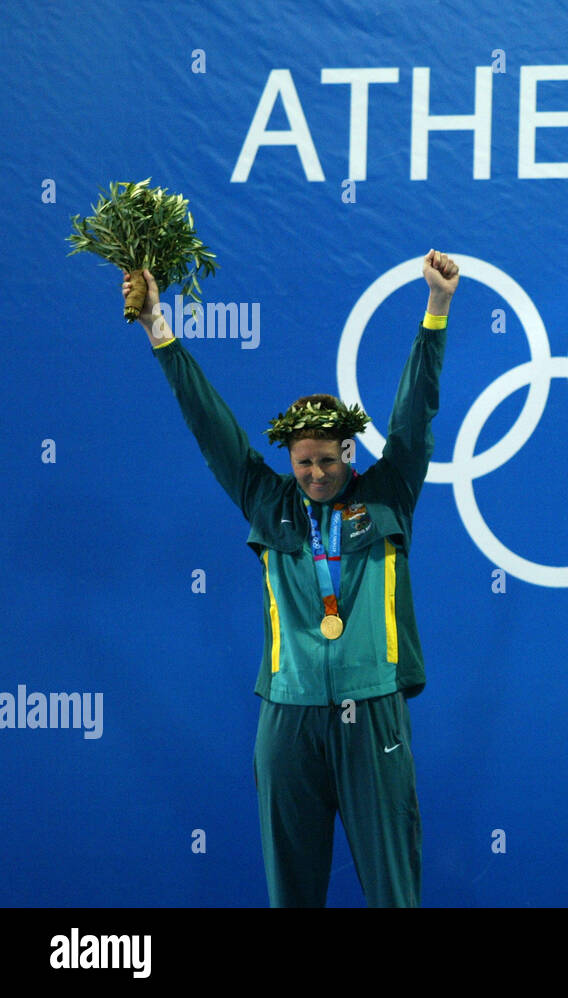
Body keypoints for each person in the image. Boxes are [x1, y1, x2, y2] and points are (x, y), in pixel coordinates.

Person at [121, 249, 459, 906]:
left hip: (373, 707)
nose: (312, 475)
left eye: (325, 462)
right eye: (302, 464)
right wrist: (159, 332)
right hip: (288, 718)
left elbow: (416, 415)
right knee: (291, 893)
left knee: (394, 889)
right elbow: (209, 423)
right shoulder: (268, 502)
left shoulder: (390, 492)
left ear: (349, 453)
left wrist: (437, 307)